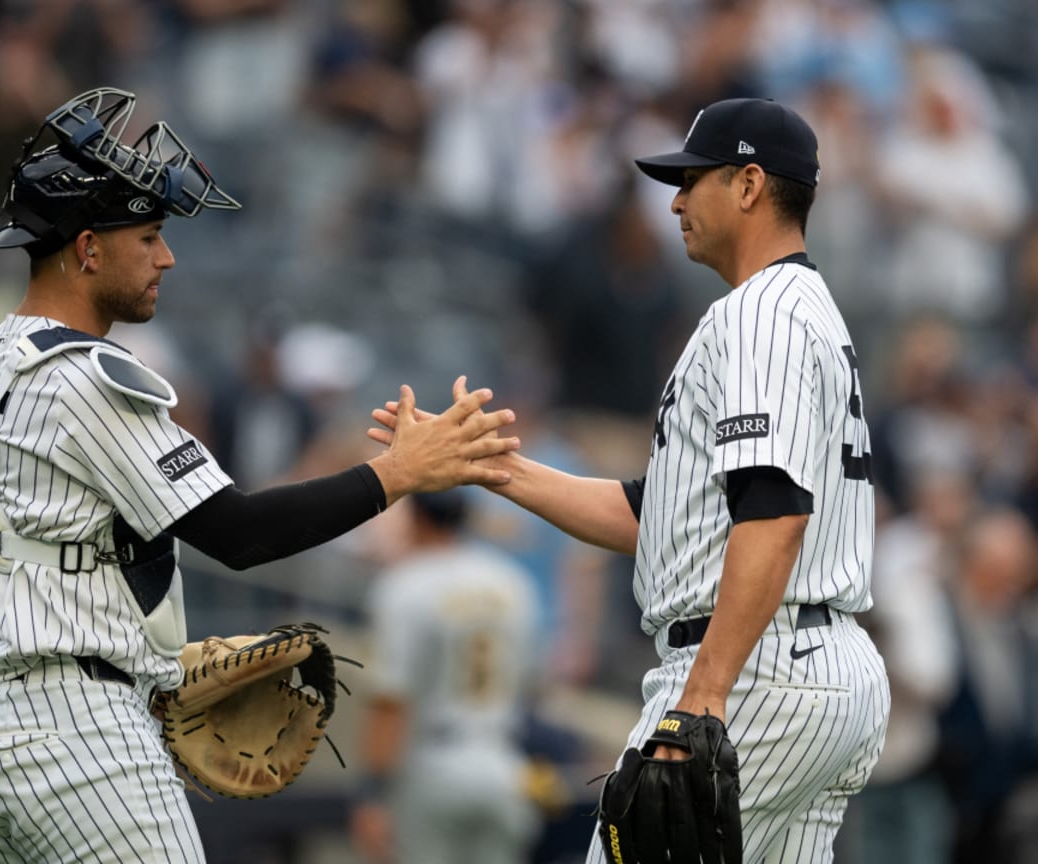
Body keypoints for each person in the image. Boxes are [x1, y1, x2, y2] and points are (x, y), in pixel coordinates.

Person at [0, 87, 519, 864]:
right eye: (147, 236)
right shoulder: (84, 374)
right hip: (72, 733)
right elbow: (237, 535)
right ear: (87, 248)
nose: (166, 257)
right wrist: (397, 472)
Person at [371, 97, 890, 862]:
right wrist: (495, 467)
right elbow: (661, 517)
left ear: (749, 185)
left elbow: (775, 514)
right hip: (815, 665)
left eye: (693, 180)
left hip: (754, 670)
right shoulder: (806, 312)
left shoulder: (757, 316)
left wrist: (704, 696)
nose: (675, 201)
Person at [350, 489, 541, 864]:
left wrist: (371, 795)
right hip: (504, 765)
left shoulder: (406, 584)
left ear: (416, 517)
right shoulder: (511, 581)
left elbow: (391, 699)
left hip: (431, 765)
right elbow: (532, 683)